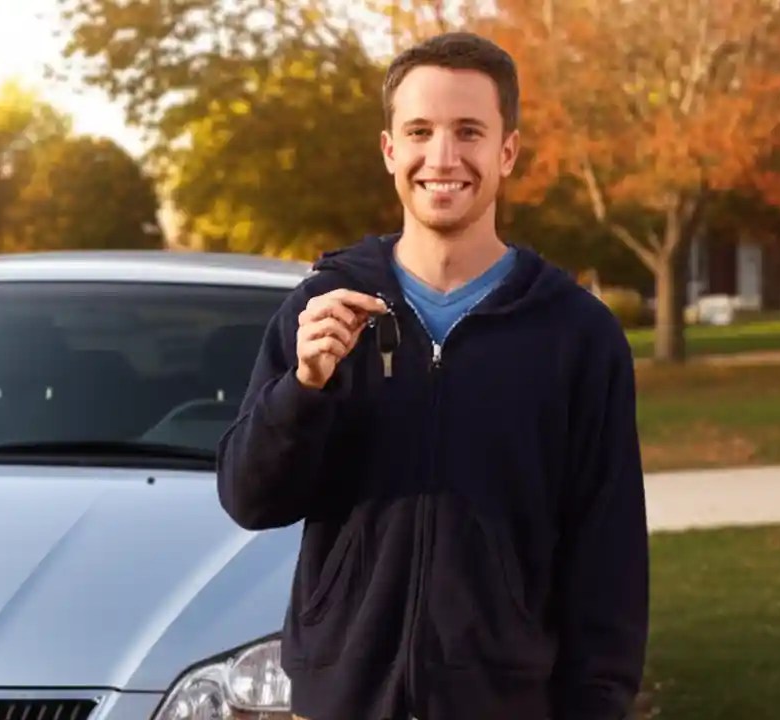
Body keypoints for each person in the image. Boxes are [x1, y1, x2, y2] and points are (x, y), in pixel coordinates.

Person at [216, 31, 648, 720]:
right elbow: (249, 499)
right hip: (342, 702)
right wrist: (303, 390)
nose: (442, 158)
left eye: (468, 131)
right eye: (419, 131)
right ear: (390, 150)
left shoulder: (577, 336)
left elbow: (609, 560)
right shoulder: (322, 309)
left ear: (507, 151)